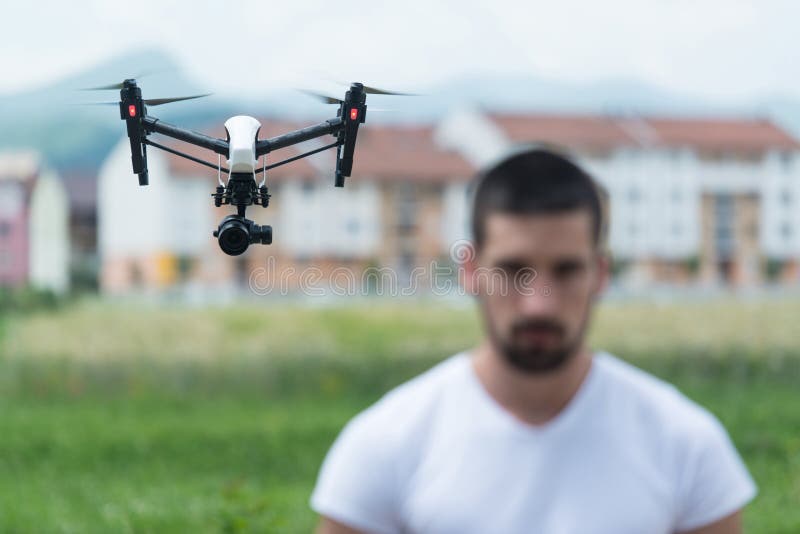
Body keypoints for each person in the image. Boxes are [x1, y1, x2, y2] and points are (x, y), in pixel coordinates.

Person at [309, 148, 757, 534]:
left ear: (600, 273)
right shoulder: (383, 445)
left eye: (565, 270)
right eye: (512, 270)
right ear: (470, 271)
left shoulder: (687, 446)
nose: (538, 305)